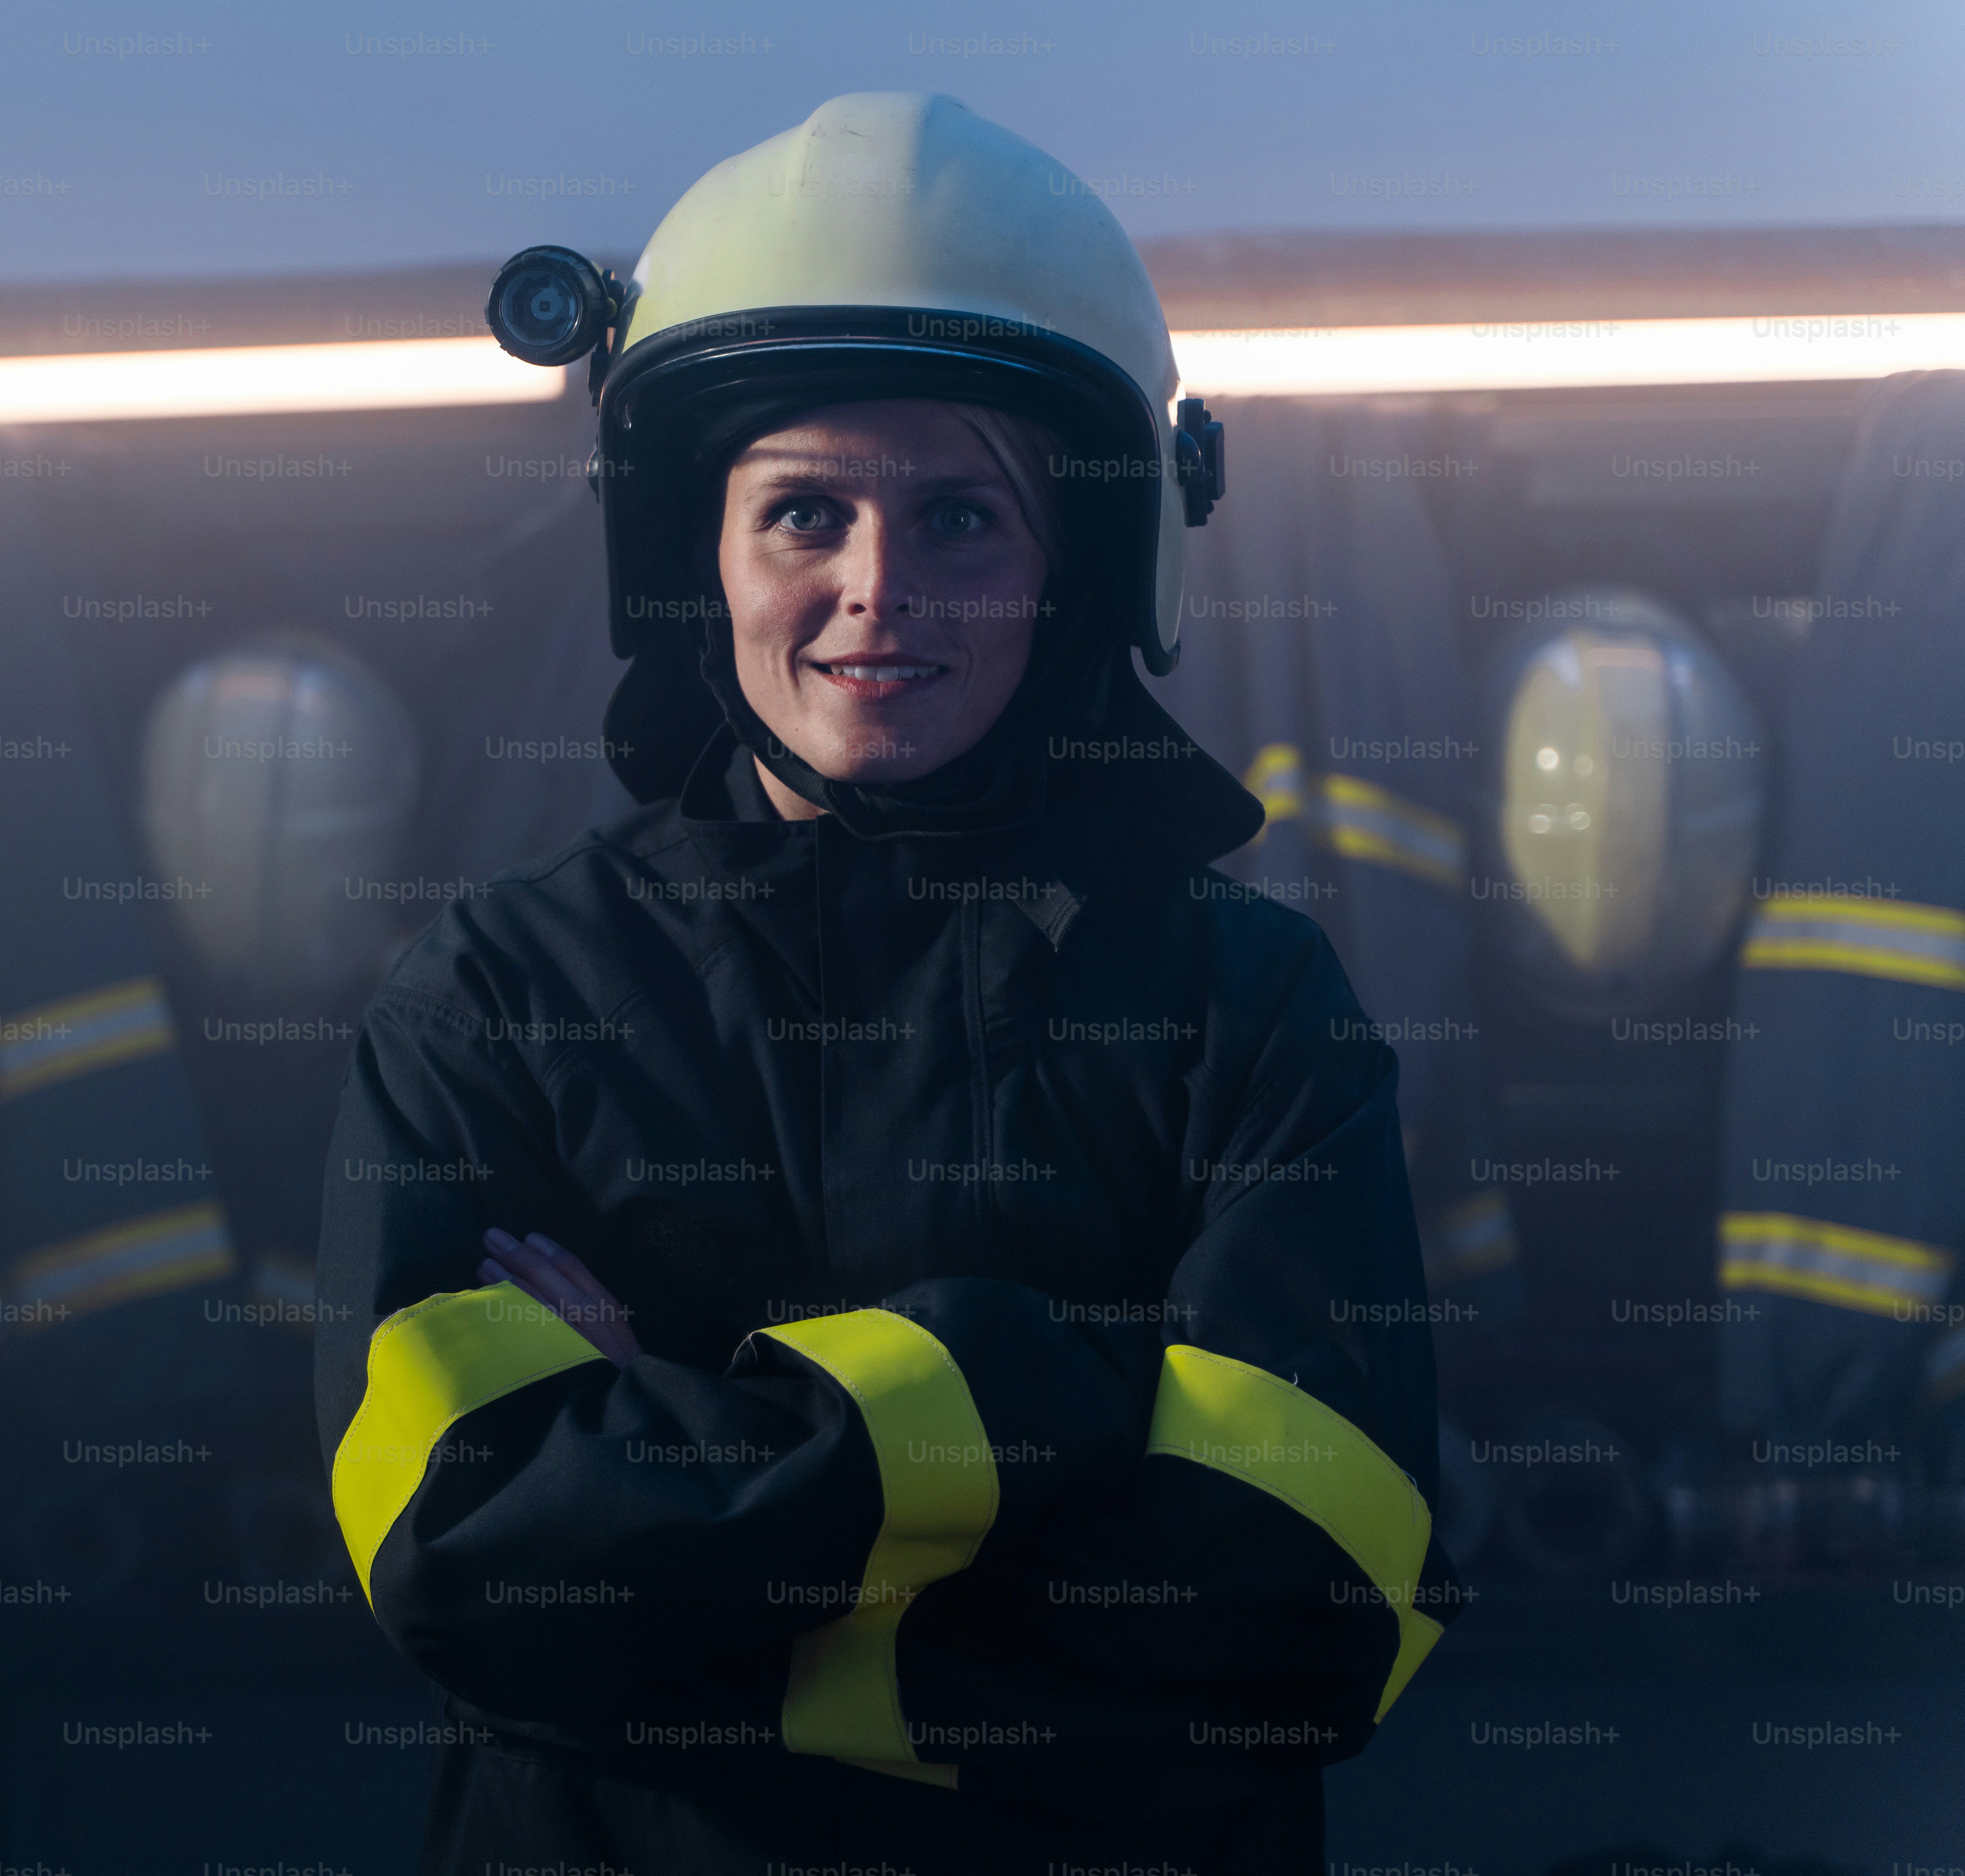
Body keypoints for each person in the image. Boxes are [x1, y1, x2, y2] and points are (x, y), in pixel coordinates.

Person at [315, 93, 1461, 1875]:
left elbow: (1315, 1601)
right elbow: (464, 1557)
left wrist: (683, 1510)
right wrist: (1059, 1389)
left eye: (953, 521)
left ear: (1078, 563)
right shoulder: (500, 997)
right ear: (692, 551)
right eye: (802, 515)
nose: (871, 593)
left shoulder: (1245, 1004)